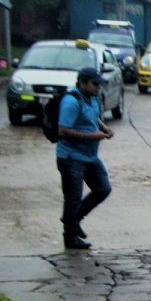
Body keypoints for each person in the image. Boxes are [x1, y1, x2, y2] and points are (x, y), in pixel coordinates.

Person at [56, 67, 114, 250]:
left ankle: (72, 219)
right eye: (95, 84)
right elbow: (63, 131)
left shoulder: (92, 98)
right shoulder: (71, 102)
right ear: (82, 83)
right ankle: (70, 236)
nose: (98, 88)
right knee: (73, 197)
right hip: (71, 156)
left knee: (103, 188)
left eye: (100, 84)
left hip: (89, 156)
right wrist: (92, 136)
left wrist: (104, 128)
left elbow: (93, 117)